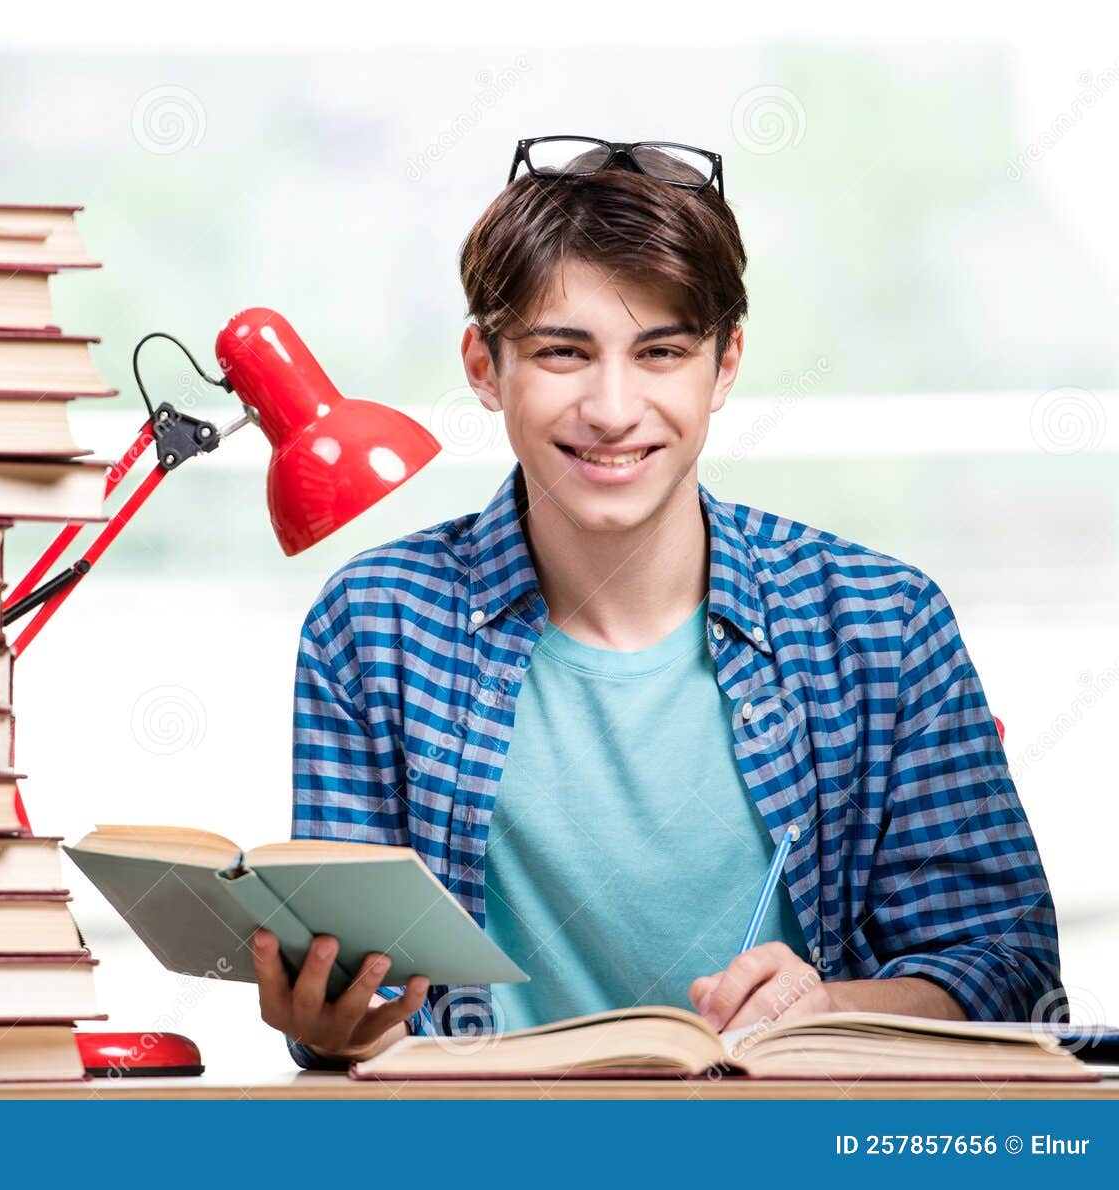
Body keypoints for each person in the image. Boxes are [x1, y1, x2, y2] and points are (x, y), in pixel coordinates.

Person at [251, 137, 1064, 1069]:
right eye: (563, 351)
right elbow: (358, 1001)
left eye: (661, 352)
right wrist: (333, 1027)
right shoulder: (375, 623)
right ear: (485, 366)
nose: (611, 407)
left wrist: (827, 1005)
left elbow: (1013, 971)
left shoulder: (884, 621)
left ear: (724, 366)